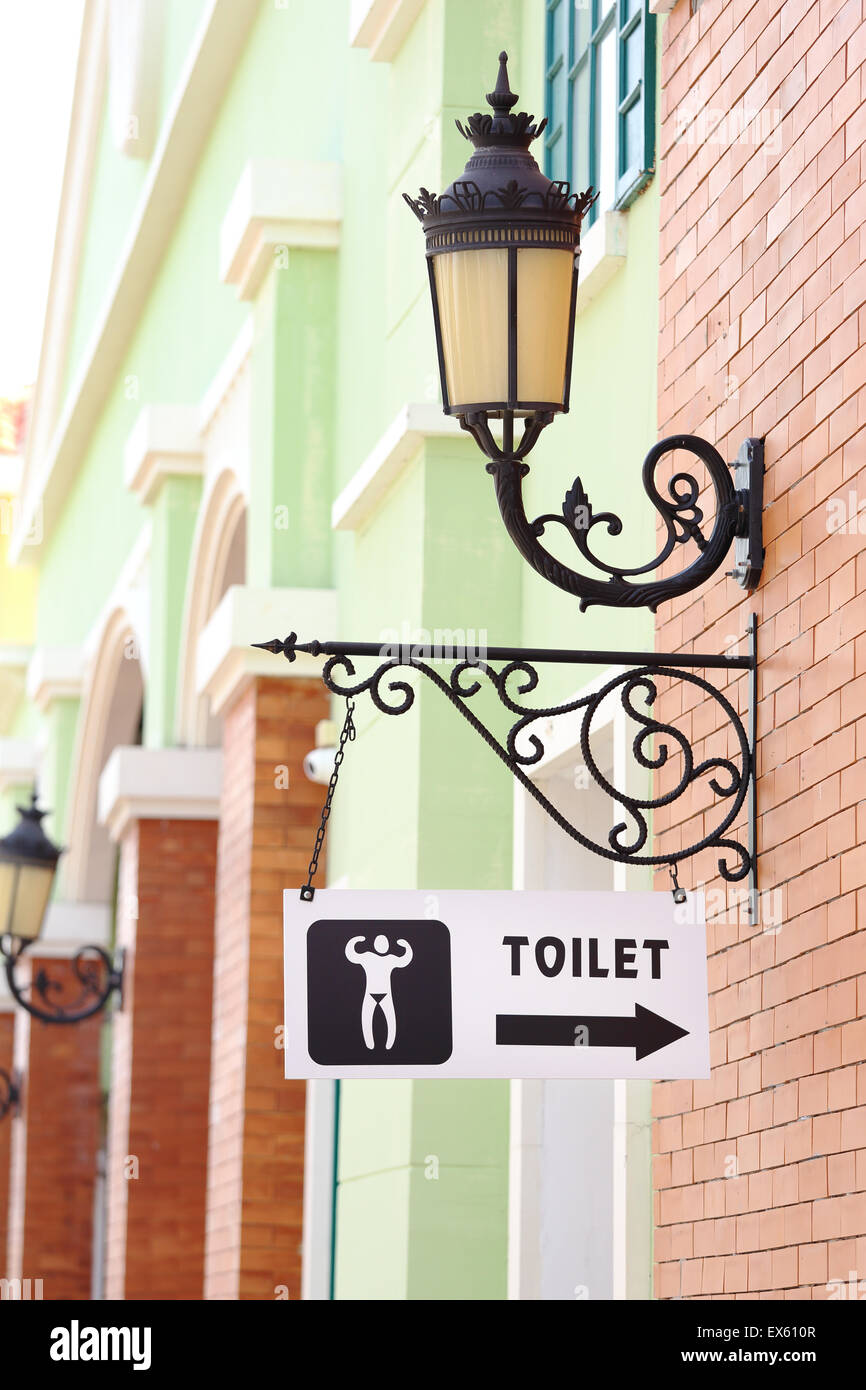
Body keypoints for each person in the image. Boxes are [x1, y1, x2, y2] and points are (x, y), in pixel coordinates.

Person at [344, 933, 413, 1050]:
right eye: (380, 942)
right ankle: (369, 1045)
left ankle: (389, 1045)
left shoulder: (390, 959)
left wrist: (406, 945)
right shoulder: (367, 957)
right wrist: (356, 939)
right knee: (367, 1018)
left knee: (390, 1019)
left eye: (384, 942)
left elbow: (405, 960)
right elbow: (351, 955)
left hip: (385, 994)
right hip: (370, 994)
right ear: (375, 944)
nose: (382, 945)